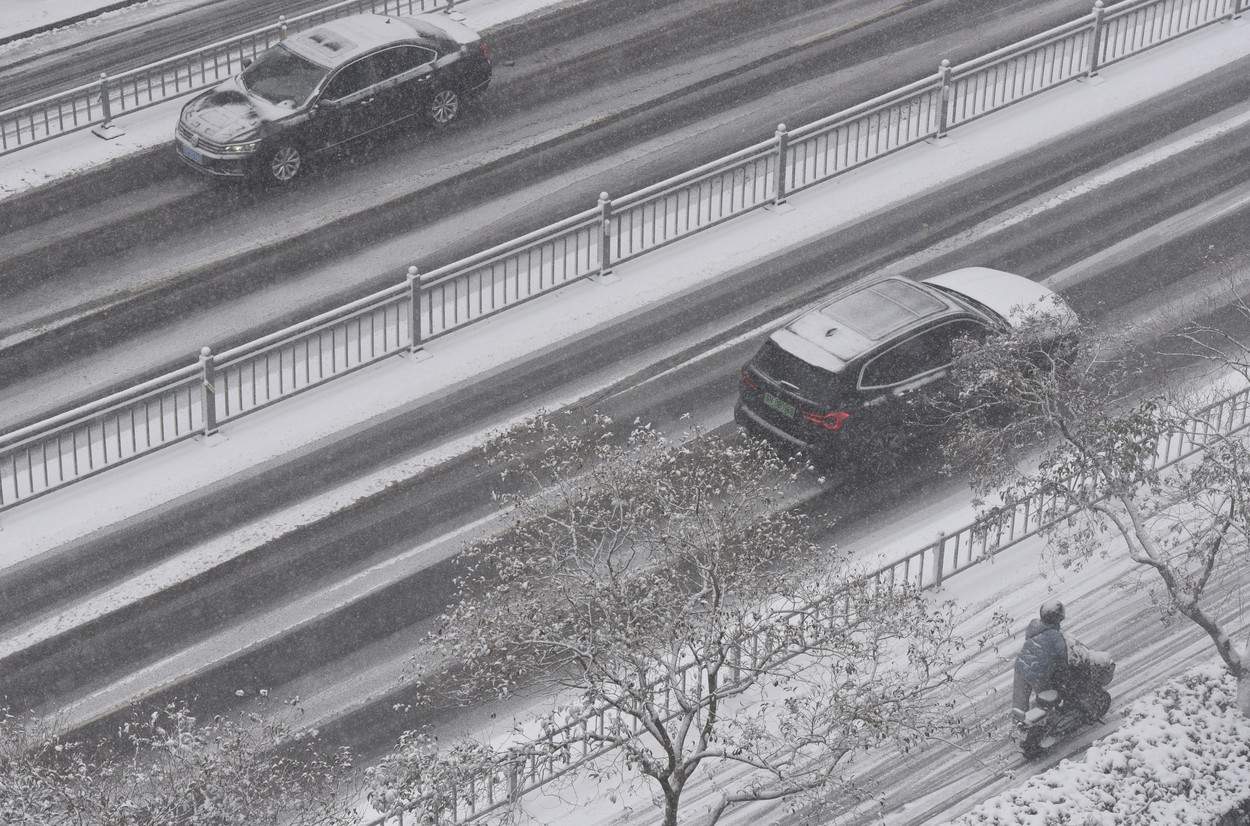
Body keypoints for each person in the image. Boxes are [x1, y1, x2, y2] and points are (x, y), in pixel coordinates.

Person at [1012, 600, 1068, 716]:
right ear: (1056, 619)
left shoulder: (1034, 629)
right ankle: (1048, 725)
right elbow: (1062, 660)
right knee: (1047, 701)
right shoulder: (1055, 636)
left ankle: (1018, 727)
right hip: (1037, 672)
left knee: (1019, 705)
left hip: (1021, 667)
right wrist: (1063, 678)